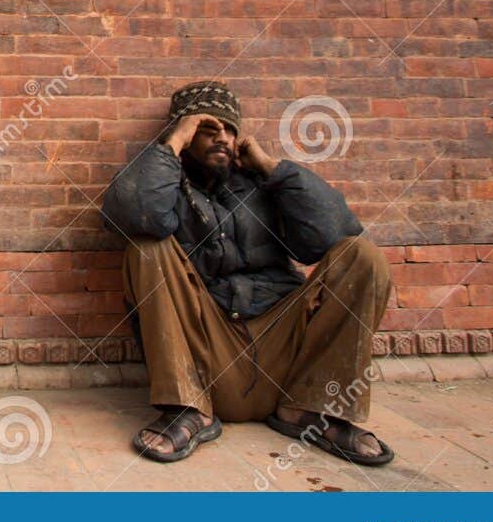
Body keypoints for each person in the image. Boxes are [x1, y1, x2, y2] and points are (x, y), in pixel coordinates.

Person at [101, 81, 395, 466]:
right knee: (147, 247)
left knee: (363, 256)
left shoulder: (264, 185)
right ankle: (188, 409)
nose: (221, 137)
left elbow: (336, 233)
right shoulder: (165, 183)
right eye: (207, 129)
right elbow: (132, 215)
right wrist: (172, 145)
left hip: (283, 347)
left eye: (229, 129)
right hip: (208, 347)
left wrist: (273, 169)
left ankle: (314, 410)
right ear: (186, 134)